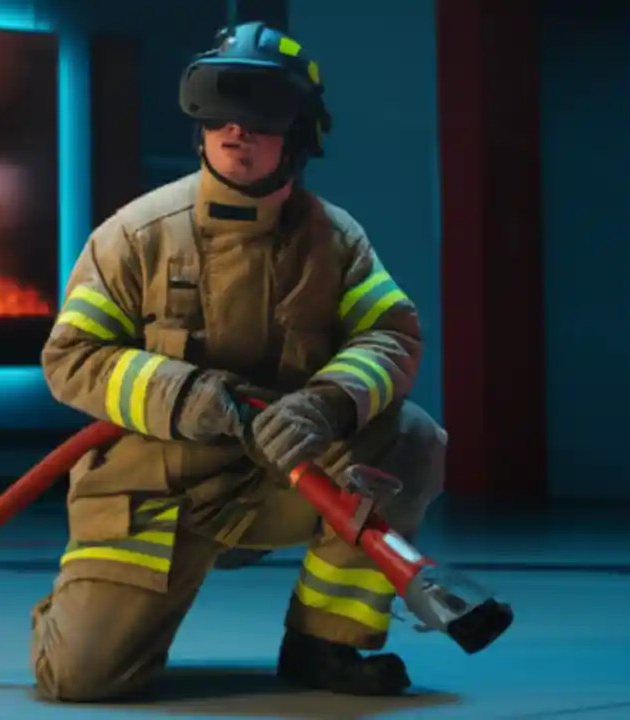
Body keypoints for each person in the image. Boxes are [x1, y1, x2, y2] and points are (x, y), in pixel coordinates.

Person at [30, 21, 447, 701]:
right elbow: (71, 357)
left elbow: (391, 335)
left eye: (260, 112)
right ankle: (78, 615)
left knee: (412, 439)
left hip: (290, 477)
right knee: (80, 679)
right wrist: (179, 393)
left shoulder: (337, 242)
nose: (236, 130)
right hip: (159, 491)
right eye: (218, 109)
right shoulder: (134, 237)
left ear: (303, 133)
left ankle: (327, 644)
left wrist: (327, 401)